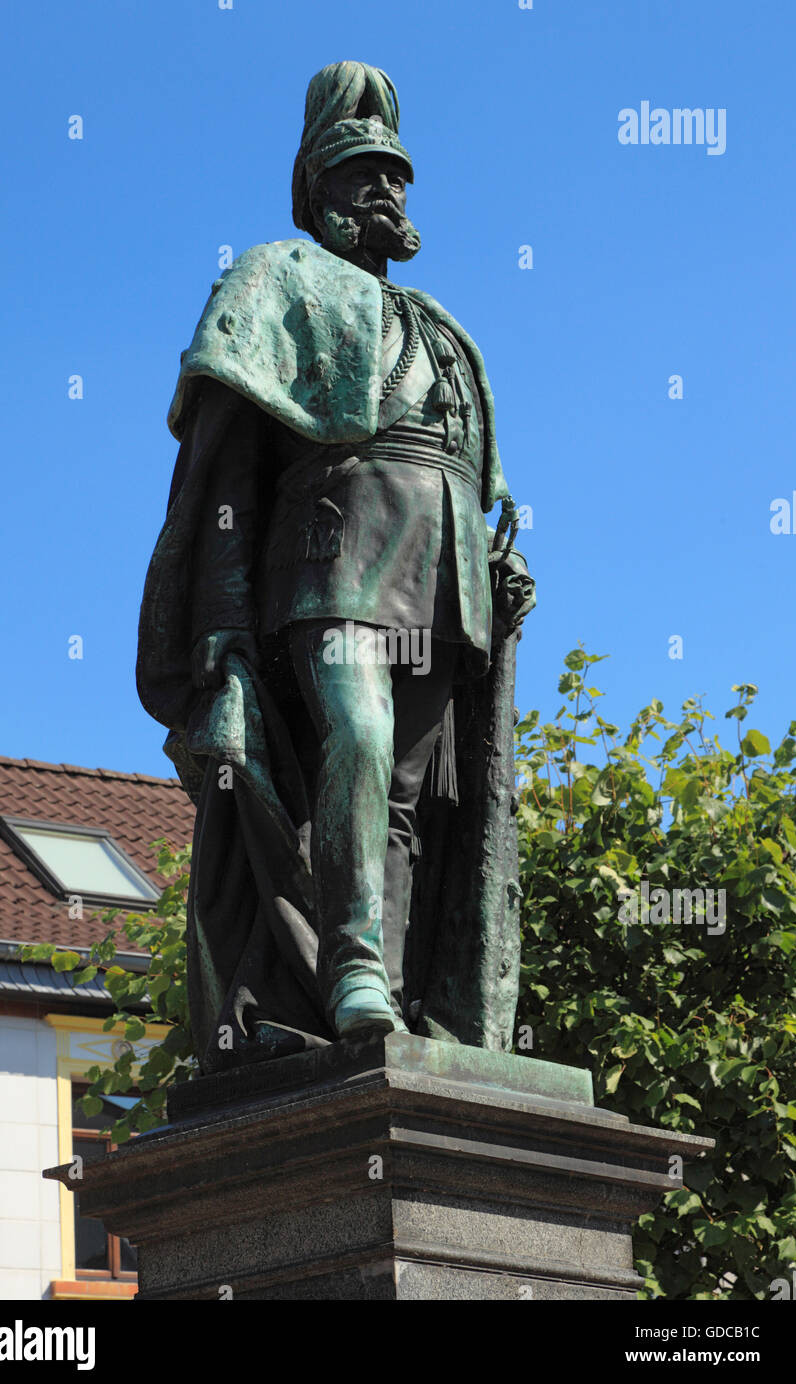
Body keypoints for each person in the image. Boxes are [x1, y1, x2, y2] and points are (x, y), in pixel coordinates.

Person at [137, 61, 535, 1068]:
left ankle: (392, 990)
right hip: (330, 559)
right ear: (315, 191)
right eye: (360, 174)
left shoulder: (444, 327)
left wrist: (497, 572)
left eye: (395, 174)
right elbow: (224, 469)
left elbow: (468, 470)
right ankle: (352, 970)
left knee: (410, 799)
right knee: (351, 735)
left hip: (442, 578)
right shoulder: (274, 276)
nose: (385, 191)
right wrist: (222, 632)